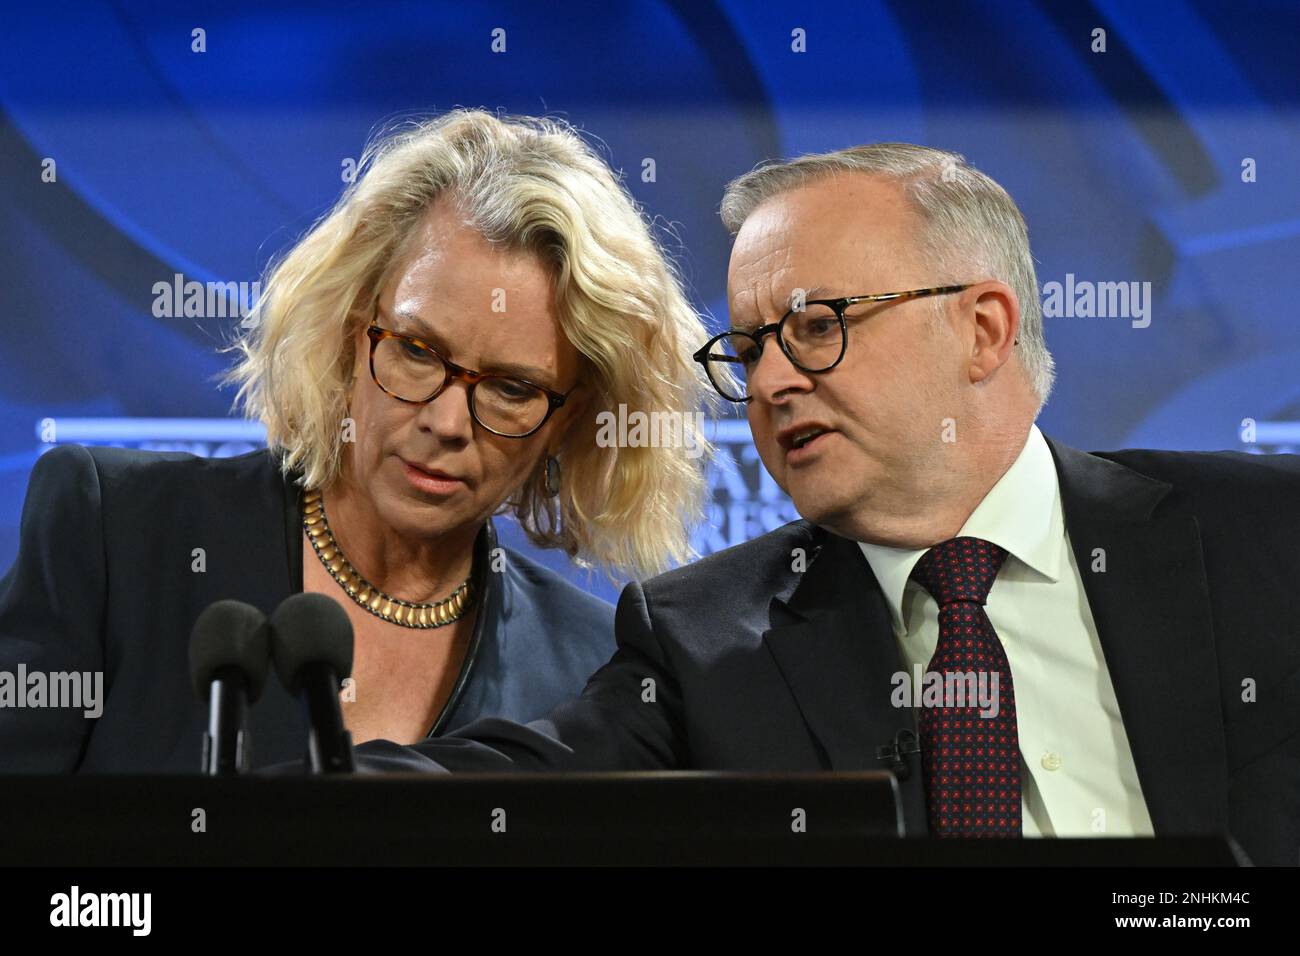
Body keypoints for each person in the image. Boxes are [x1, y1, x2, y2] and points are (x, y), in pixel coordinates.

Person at [332, 143, 1300, 866]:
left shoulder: (1266, 535)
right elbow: (519, 782)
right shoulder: (705, 643)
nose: (769, 383)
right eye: (750, 350)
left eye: (816, 325)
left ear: (981, 329)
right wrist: (270, 798)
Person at [0, 110, 713, 772]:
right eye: (418, 352)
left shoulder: (590, 669)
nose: (447, 422)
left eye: (512, 388)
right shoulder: (118, 533)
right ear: (350, 329)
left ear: (567, 419)